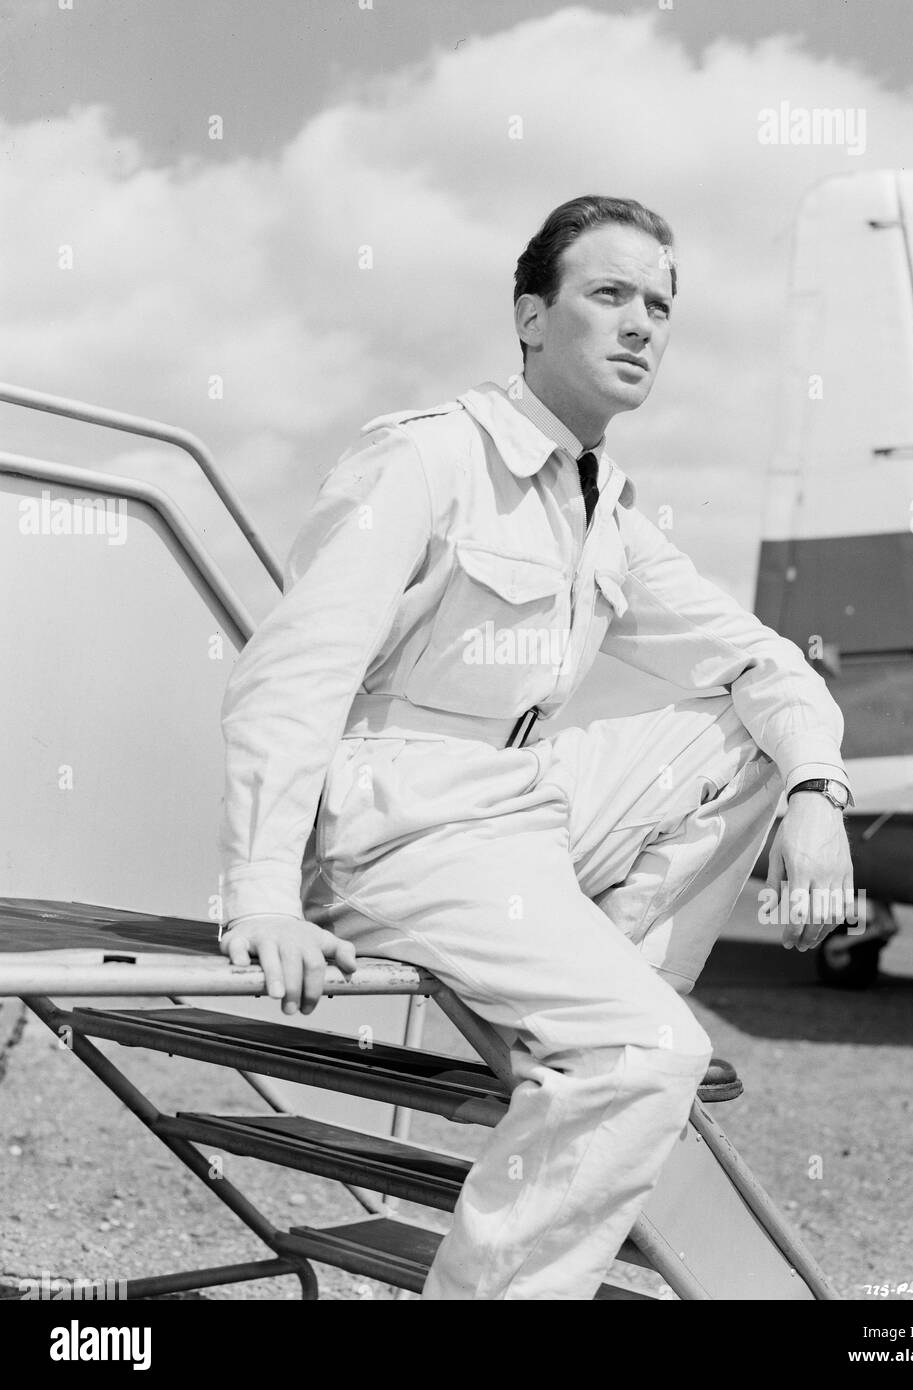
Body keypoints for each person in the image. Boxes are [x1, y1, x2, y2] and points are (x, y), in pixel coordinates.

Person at [217, 194, 855, 1300]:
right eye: (607, 294)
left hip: (517, 808)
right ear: (528, 315)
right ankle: (610, 1057)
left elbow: (764, 663)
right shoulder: (425, 461)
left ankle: (596, 1007)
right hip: (401, 820)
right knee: (649, 1054)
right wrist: (263, 892)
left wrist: (815, 789)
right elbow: (292, 674)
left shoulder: (603, 507)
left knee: (751, 727)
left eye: (659, 304)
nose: (641, 324)